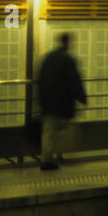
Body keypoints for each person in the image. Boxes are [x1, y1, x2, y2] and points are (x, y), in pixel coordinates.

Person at [36, 33, 87, 170]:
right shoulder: (68, 60)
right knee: (61, 129)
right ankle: (53, 157)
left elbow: (40, 80)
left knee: (49, 131)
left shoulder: (48, 58)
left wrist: (41, 100)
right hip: (62, 103)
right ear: (68, 43)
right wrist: (82, 98)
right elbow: (75, 80)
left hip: (48, 103)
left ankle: (47, 158)